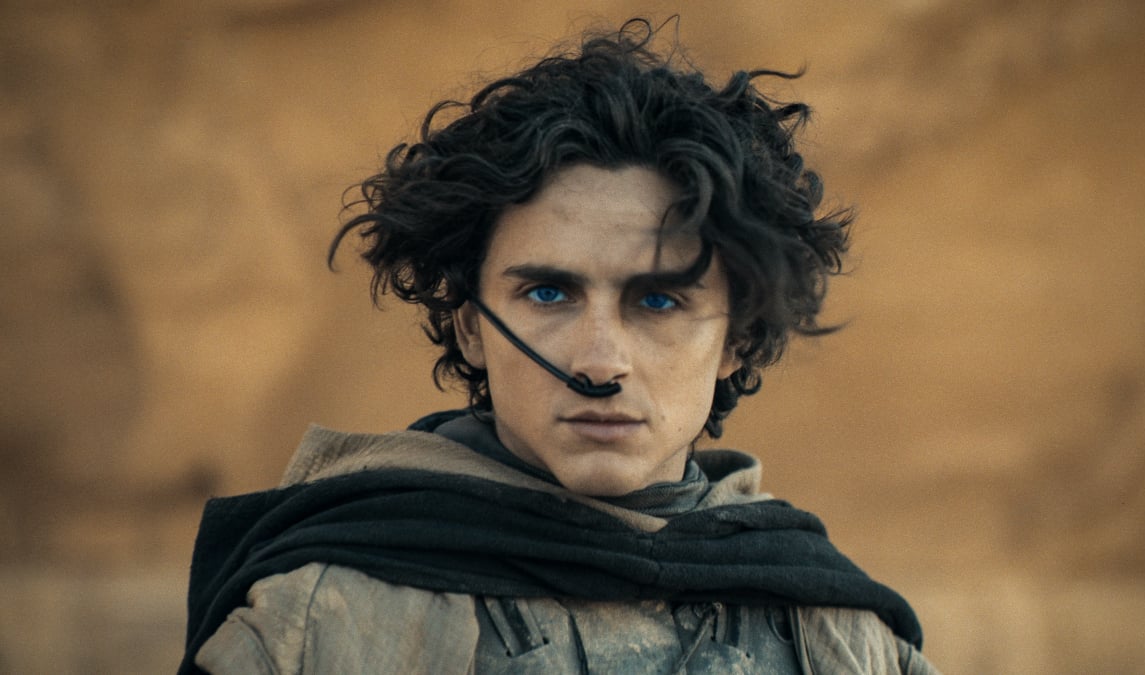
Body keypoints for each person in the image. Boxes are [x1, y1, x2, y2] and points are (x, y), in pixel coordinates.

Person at [179, 18, 938, 674]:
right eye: (548, 293)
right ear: (471, 324)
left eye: (659, 299)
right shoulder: (320, 619)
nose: (599, 363)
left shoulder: (841, 636)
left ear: (737, 338)